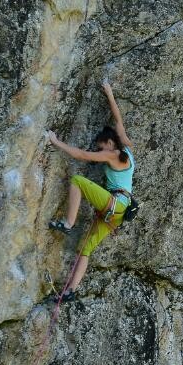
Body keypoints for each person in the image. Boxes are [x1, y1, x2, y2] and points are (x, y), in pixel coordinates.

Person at [44, 79, 136, 302]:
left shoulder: (111, 155)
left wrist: (56, 141)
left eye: (100, 146)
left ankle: (68, 223)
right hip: (118, 212)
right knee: (85, 248)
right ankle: (71, 291)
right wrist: (109, 93)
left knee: (77, 180)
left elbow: (82, 155)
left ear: (109, 143)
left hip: (115, 204)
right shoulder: (127, 148)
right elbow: (118, 120)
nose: (99, 151)